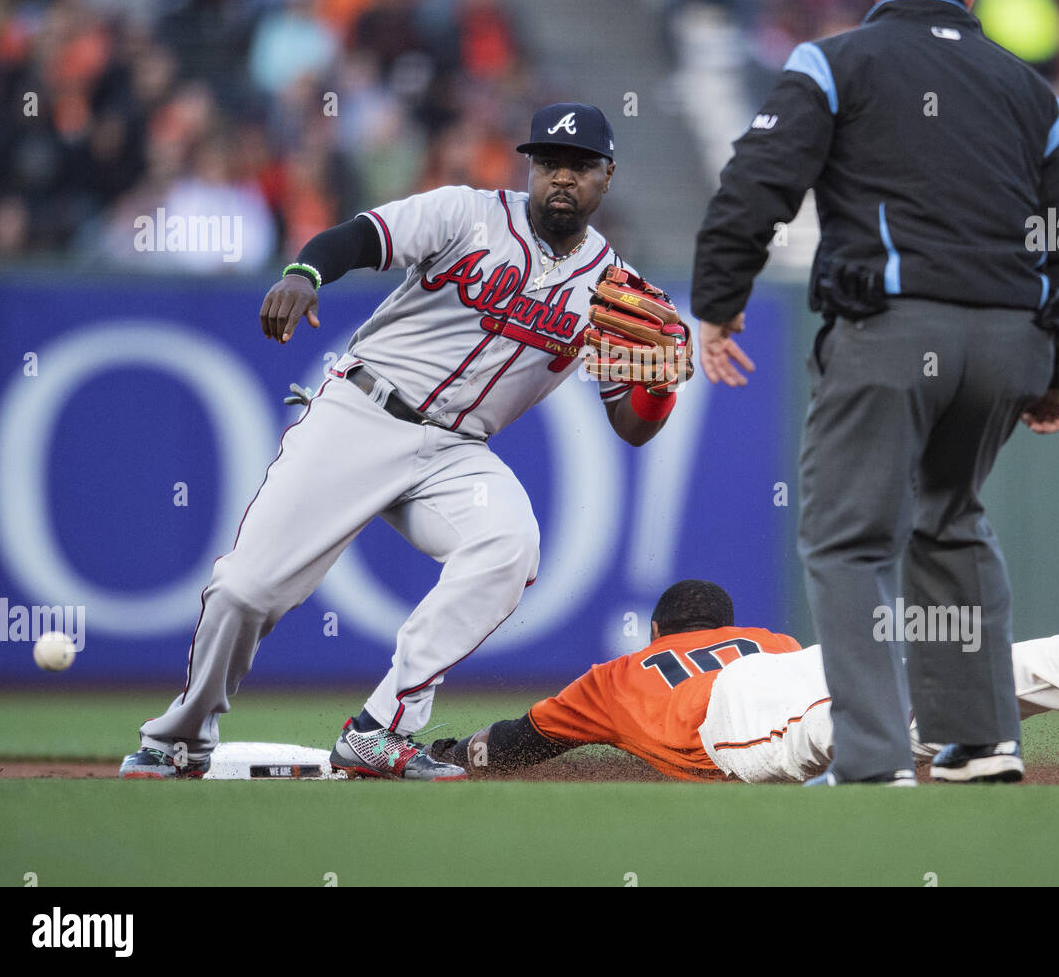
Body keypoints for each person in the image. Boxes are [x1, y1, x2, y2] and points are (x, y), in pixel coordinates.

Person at [120, 102, 688, 781]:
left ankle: (381, 729)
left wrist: (657, 386)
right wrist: (304, 275)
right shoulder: (467, 213)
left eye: (580, 166)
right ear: (529, 168)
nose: (561, 178)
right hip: (363, 412)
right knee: (247, 590)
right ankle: (181, 735)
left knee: (508, 545)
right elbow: (359, 237)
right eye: (548, 163)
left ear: (608, 177)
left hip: (456, 451)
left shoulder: (610, 287)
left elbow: (632, 428)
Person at [689, 0, 1059, 784]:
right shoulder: (1033, 93)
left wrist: (718, 303)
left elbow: (755, 186)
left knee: (849, 543)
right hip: (1010, 338)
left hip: (891, 327)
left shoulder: (835, 60)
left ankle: (875, 762)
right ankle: (982, 740)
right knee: (949, 518)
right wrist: (1058, 368)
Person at [428, 579, 1059, 784]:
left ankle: (887, 761)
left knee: (823, 738)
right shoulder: (762, 634)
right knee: (960, 675)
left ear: (659, 636)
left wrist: (458, 754)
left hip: (734, 714)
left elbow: (522, 742)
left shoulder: (616, 674)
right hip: (798, 664)